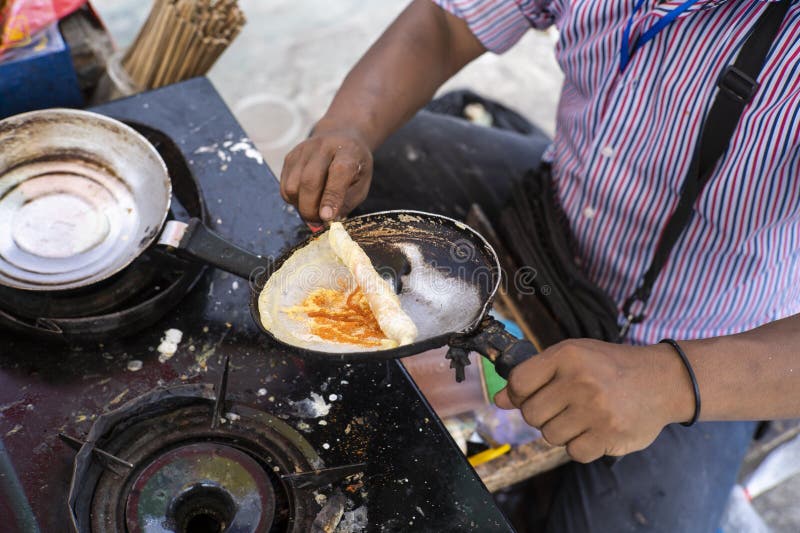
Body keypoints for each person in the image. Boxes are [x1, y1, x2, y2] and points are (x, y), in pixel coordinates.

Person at [280, 1, 800, 530]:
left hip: (700, 337)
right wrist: (347, 126)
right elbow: (445, 22)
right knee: (383, 161)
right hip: (552, 210)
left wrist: (672, 382)